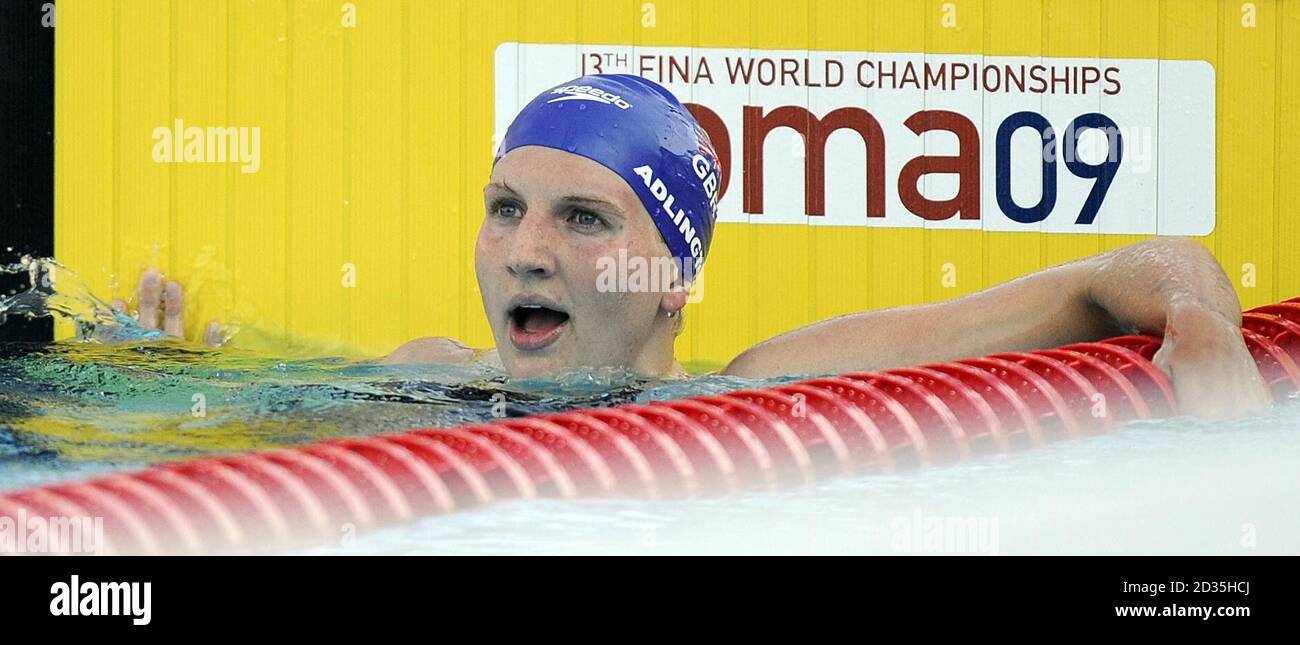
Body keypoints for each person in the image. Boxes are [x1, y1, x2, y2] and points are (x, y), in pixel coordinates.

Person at [111, 74, 1270, 419]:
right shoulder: (428, 377)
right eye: (505, 207)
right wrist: (169, 384)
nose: (523, 251)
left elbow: (1130, 270)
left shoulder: (758, 392)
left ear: (672, 276)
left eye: (581, 218)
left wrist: (1202, 321)